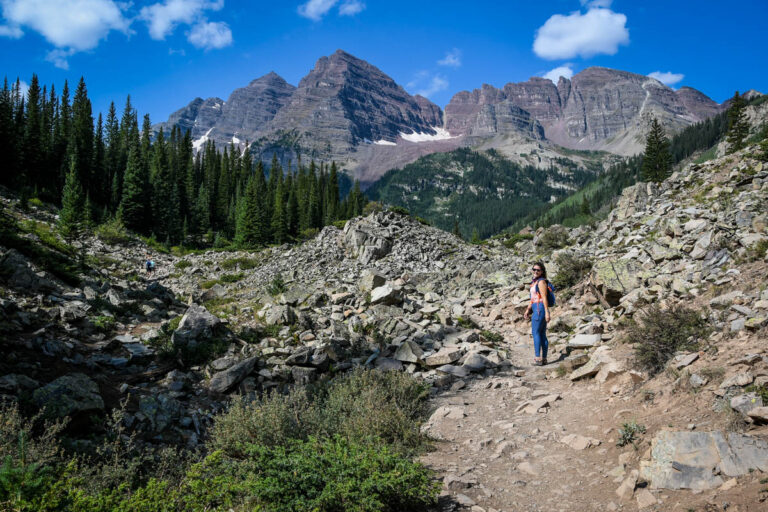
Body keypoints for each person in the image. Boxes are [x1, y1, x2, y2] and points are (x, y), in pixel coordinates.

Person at [523, 261, 551, 366]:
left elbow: (544, 297)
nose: (535, 271)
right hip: (536, 307)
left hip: (540, 309)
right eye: (534, 269)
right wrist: (527, 310)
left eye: (538, 270)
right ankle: (543, 359)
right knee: (542, 333)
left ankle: (538, 358)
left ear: (542, 271)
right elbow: (532, 299)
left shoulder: (541, 282)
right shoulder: (534, 282)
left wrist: (547, 312)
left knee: (536, 333)